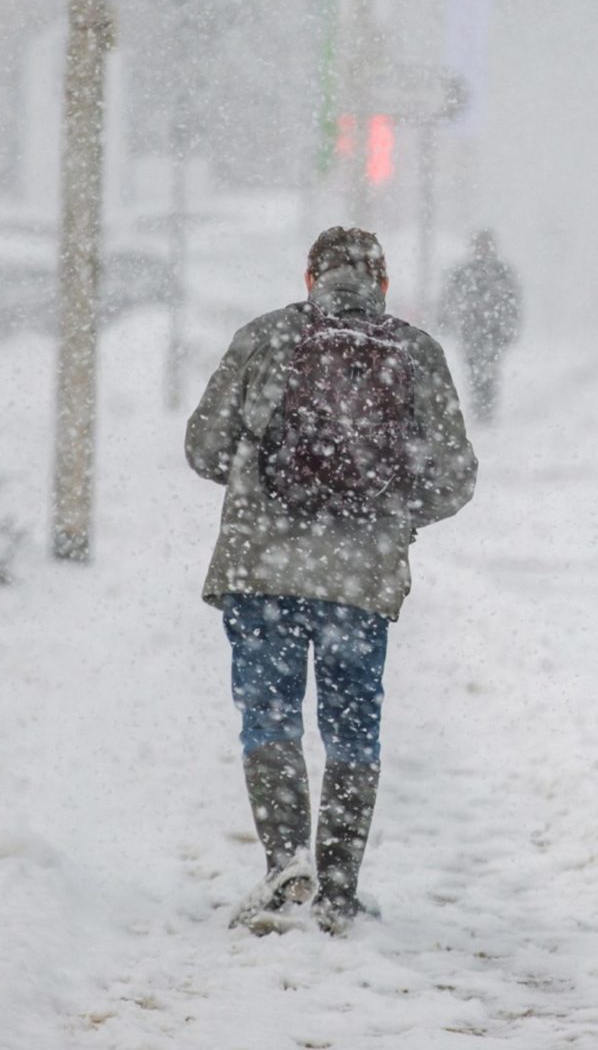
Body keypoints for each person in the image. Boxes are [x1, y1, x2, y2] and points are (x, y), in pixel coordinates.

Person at [185, 226, 477, 935]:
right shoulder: (415, 353)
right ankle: (339, 887)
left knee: (270, 715)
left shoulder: (266, 337)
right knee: (352, 728)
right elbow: (455, 477)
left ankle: (287, 860)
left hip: (263, 569)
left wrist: (264, 480)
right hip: (359, 578)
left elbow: (203, 446)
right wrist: (388, 511)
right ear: (383, 283)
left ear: (311, 277)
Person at [438, 229, 522, 422]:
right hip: (470, 330)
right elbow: (449, 298)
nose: (483, 249)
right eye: (480, 245)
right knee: (473, 367)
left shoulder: (501, 272)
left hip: (493, 330)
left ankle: (487, 407)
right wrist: (447, 320)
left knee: (490, 368)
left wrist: (509, 326)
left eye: (486, 245)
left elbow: (512, 302)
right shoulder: (464, 272)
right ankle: (479, 405)